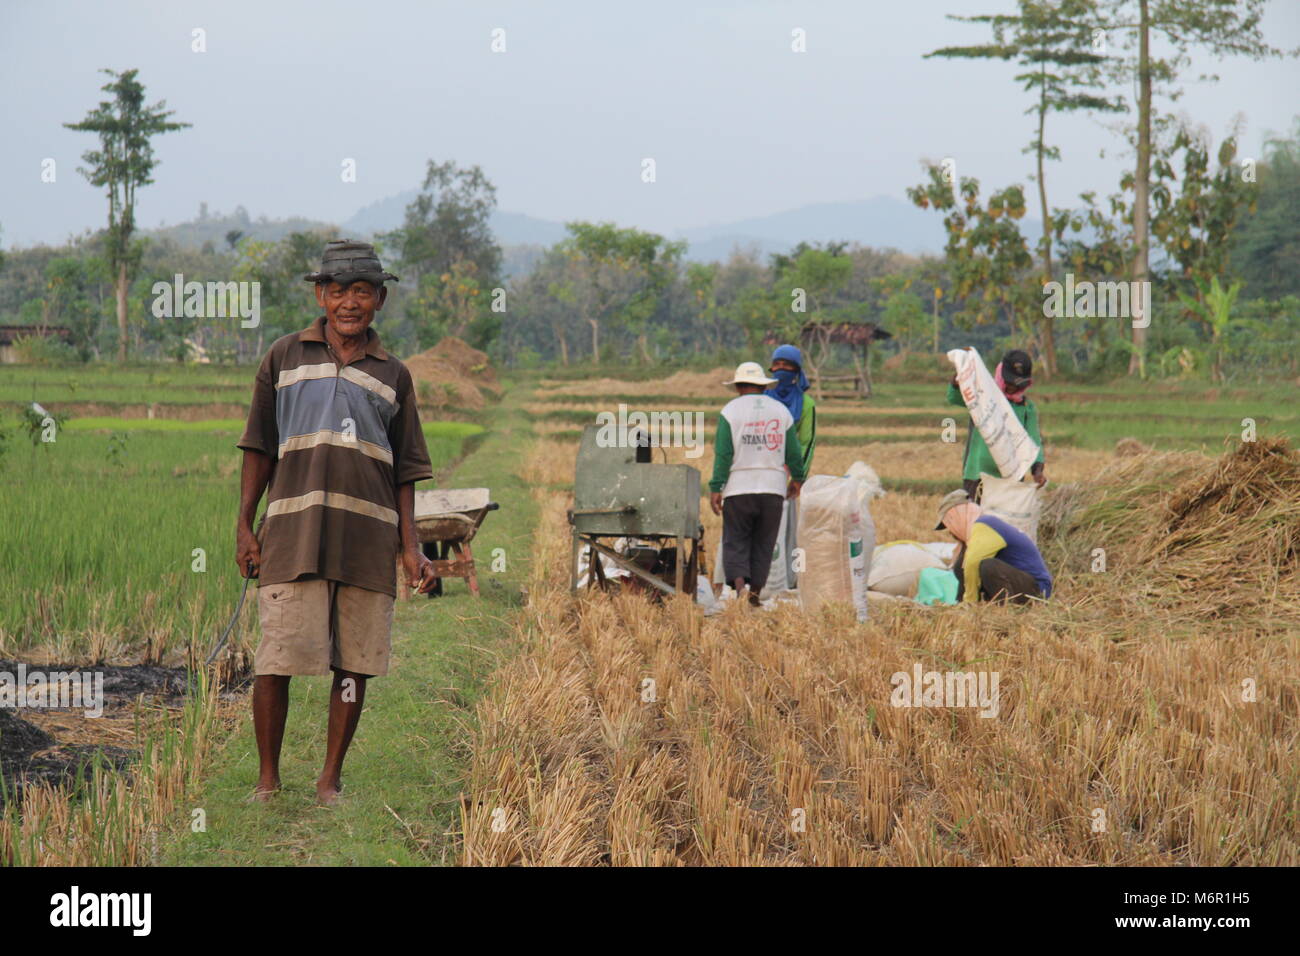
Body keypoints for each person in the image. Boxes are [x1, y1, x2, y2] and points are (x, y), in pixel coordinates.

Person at [235, 239, 438, 805]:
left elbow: (406, 470)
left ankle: (330, 779)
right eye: (338, 290)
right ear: (321, 295)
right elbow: (258, 445)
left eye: (362, 291)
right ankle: (267, 779)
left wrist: (410, 546)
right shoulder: (282, 358)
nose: (350, 302)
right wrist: (245, 526)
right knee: (275, 658)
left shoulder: (394, 376)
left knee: (355, 663)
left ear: (380, 299)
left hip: (366, 538)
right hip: (291, 533)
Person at [709, 362, 807, 606]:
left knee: (736, 539)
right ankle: (755, 596)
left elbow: (723, 453)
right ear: (763, 386)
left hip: (738, 488)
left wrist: (716, 487)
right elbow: (793, 452)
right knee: (764, 541)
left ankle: (740, 587)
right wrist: (798, 478)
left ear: (739, 386)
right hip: (773, 488)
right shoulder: (780, 411)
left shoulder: (730, 411)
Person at [947, 348, 1046, 500]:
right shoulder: (982, 397)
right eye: (1010, 382)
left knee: (1003, 523)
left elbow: (1034, 440)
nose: (1013, 387)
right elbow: (955, 398)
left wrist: (1037, 470)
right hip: (976, 475)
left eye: (1017, 384)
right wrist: (956, 382)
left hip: (1010, 479)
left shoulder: (1027, 409)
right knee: (975, 521)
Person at [934, 489, 1052, 604]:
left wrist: (970, 603)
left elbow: (972, 563)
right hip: (1015, 583)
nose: (950, 531)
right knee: (961, 565)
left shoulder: (986, 525)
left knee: (988, 566)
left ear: (958, 517)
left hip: (1037, 590)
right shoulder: (973, 536)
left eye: (949, 523)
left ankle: (1004, 609)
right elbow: (965, 569)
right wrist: (960, 604)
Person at [765, 344, 816, 590]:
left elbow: (806, 441)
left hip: (789, 474)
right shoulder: (762, 399)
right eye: (778, 365)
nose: (781, 370)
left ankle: (787, 580)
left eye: (787, 366)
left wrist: (798, 476)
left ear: (796, 370)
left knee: (789, 527)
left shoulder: (806, 405)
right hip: (763, 469)